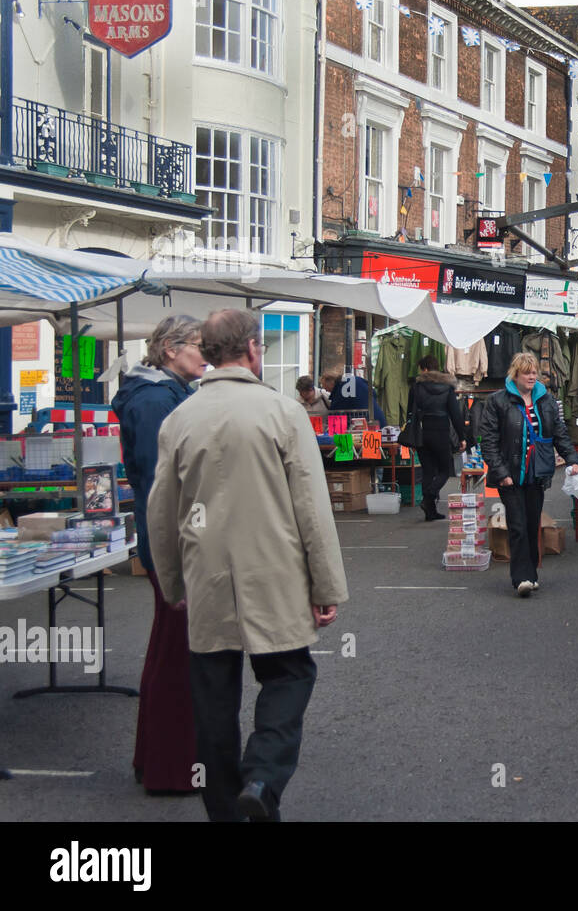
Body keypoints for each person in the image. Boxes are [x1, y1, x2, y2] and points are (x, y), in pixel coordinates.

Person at [149, 309, 348, 821]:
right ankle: (261, 779)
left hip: (207, 575)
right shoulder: (282, 413)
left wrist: (171, 583)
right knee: (288, 675)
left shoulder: (179, 419)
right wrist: (326, 584)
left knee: (213, 697)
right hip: (274, 572)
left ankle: (225, 808)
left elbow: (162, 512)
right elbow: (311, 506)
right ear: (254, 350)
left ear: (208, 352)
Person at [111, 314, 206, 794]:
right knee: (176, 658)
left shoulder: (167, 394)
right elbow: (160, 484)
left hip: (168, 539)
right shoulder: (154, 400)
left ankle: (157, 760)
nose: (205, 354)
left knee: (168, 652)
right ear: (170, 349)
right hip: (170, 543)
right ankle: (170, 769)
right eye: (197, 345)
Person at [479, 352, 578, 597]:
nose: (532, 376)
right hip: (510, 475)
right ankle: (521, 578)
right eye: (527, 372)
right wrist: (501, 472)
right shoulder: (497, 401)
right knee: (517, 525)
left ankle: (531, 572)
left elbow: (560, 433)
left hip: (537, 473)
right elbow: (488, 441)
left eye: (534, 372)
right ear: (515, 374)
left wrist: (573, 459)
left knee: (532, 523)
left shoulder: (546, 400)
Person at [407, 355, 466, 521]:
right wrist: (462, 436)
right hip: (440, 430)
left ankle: (430, 510)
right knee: (445, 469)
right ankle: (429, 496)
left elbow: (410, 413)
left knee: (428, 471)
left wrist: (411, 434)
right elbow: (455, 414)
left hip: (422, 431)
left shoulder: (416, 387)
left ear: (424, 369)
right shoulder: (447, 388)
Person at [320, 366, 386, 427]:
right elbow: (374, 393)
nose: (326, 390)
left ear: (331, 382)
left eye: (325, 386)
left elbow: (335, 414)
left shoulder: (341, 390)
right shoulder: (356, 379)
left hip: (365, 425)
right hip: (378, 419)